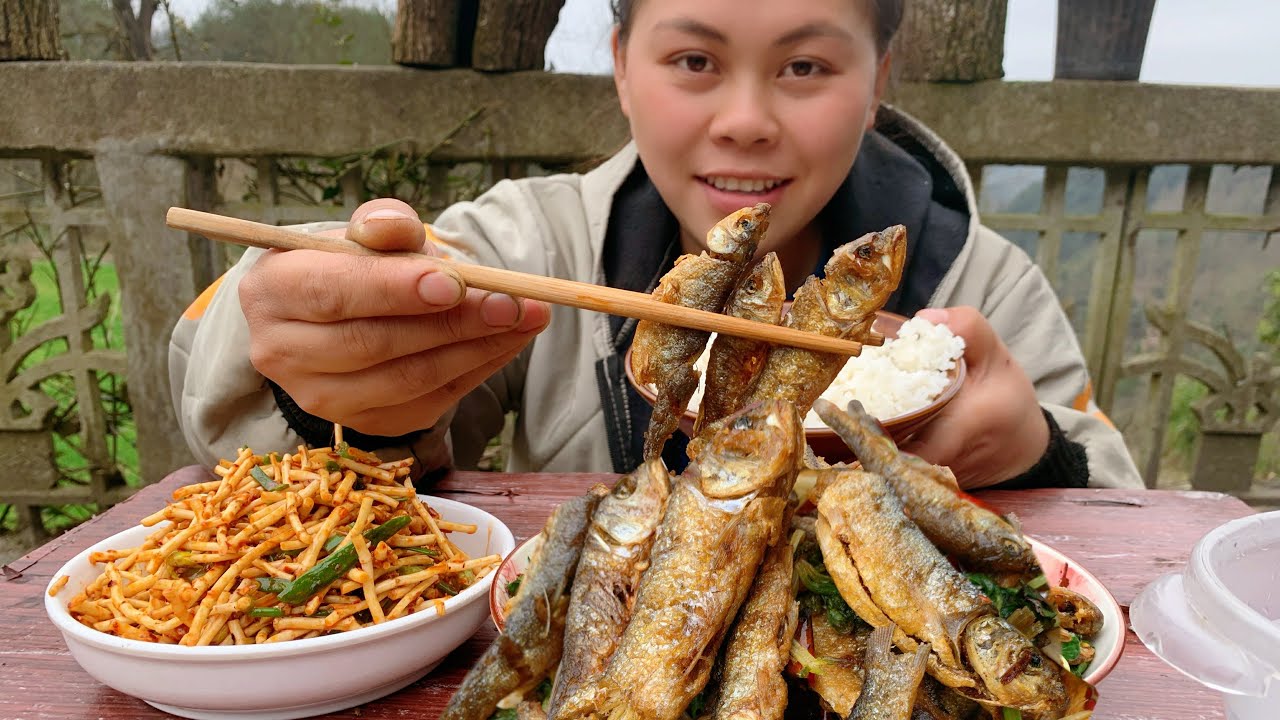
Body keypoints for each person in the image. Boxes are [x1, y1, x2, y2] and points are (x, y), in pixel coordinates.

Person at [170, 0, 1143, 490]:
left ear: (877, 80)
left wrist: (1038, 456)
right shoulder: (534, 242)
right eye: (693, 60)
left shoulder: (982, 281)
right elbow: (248, 356)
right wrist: (332, 376)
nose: (745, 121)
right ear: (621, 70)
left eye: (805, 66)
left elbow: (1122, 507)